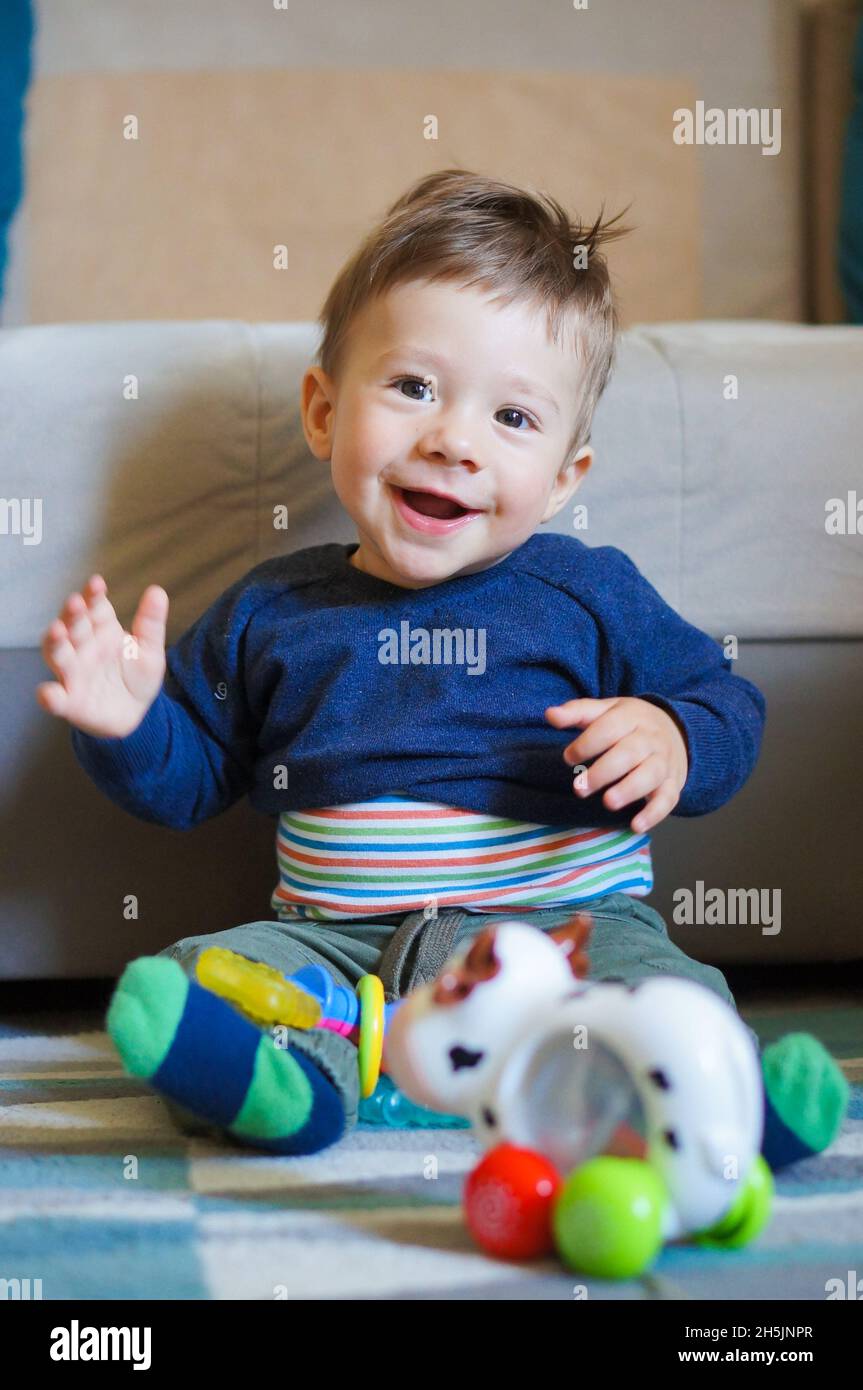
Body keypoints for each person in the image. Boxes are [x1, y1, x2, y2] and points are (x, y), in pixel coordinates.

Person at [36, 170, 847, 1164]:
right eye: (413, 387)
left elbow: (725, 700)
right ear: (324, 411)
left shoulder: (588, 591)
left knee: (665, 992)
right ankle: (288, 1086)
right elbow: (194, 775)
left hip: (568, 939)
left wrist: (676, 735)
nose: (452, 439)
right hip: (341, 958)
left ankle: (708, 1108)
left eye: (511, 418)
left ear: (560, 478)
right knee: (206, 971)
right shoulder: (274, 608)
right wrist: (126, 724)